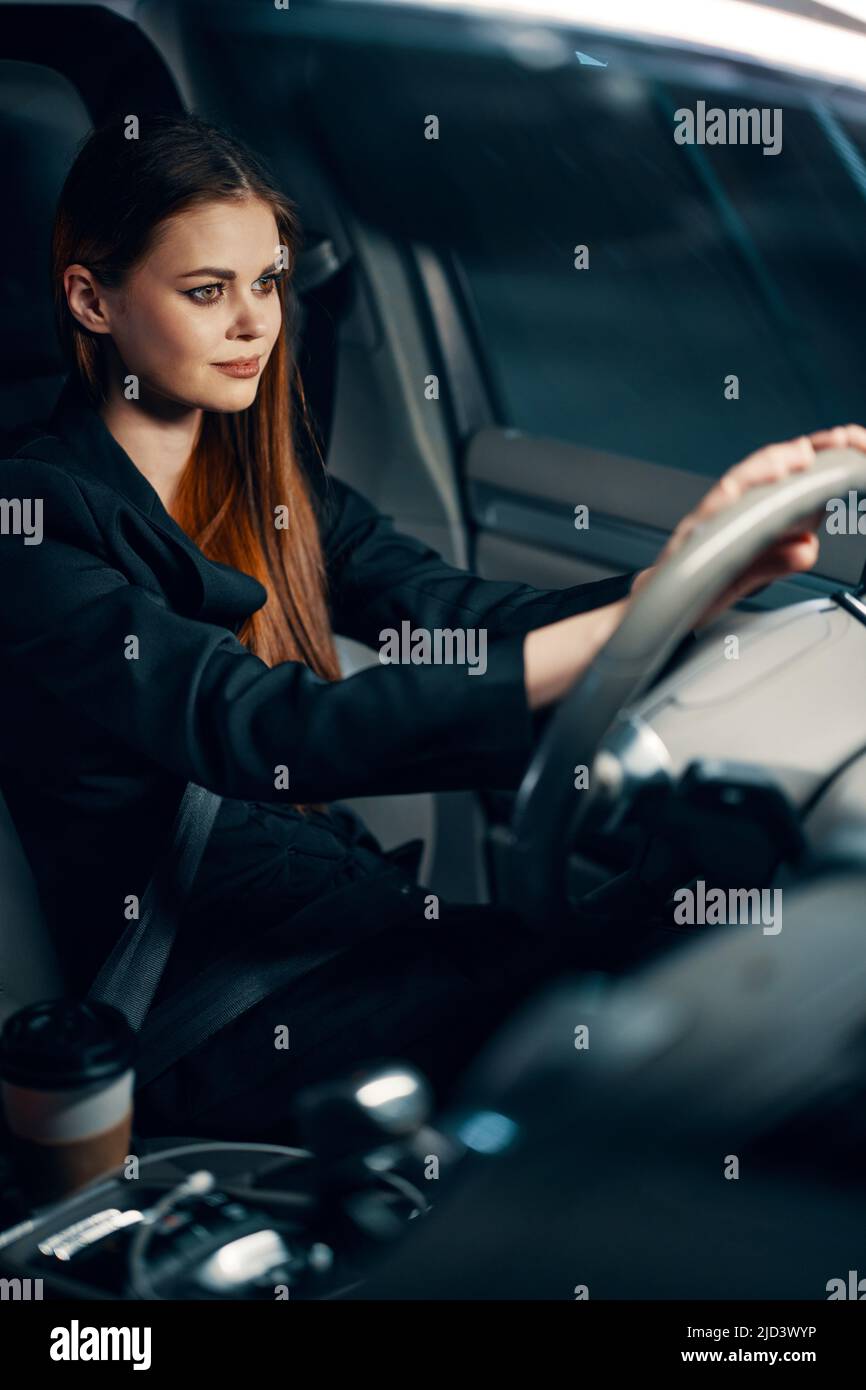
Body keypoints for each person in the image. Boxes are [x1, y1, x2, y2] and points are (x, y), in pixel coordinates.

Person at [0, 113, 845, 1143]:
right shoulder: (35, 522)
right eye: (205, 291)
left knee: (720, 898)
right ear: (92, 299)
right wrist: (623, 624)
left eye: (267, 283)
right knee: (646, 1043)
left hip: (355, 930)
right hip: (218, 1014)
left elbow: (449, 614)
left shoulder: (268, 483)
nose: (254, 324)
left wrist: (689, 573)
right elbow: (266, 732)